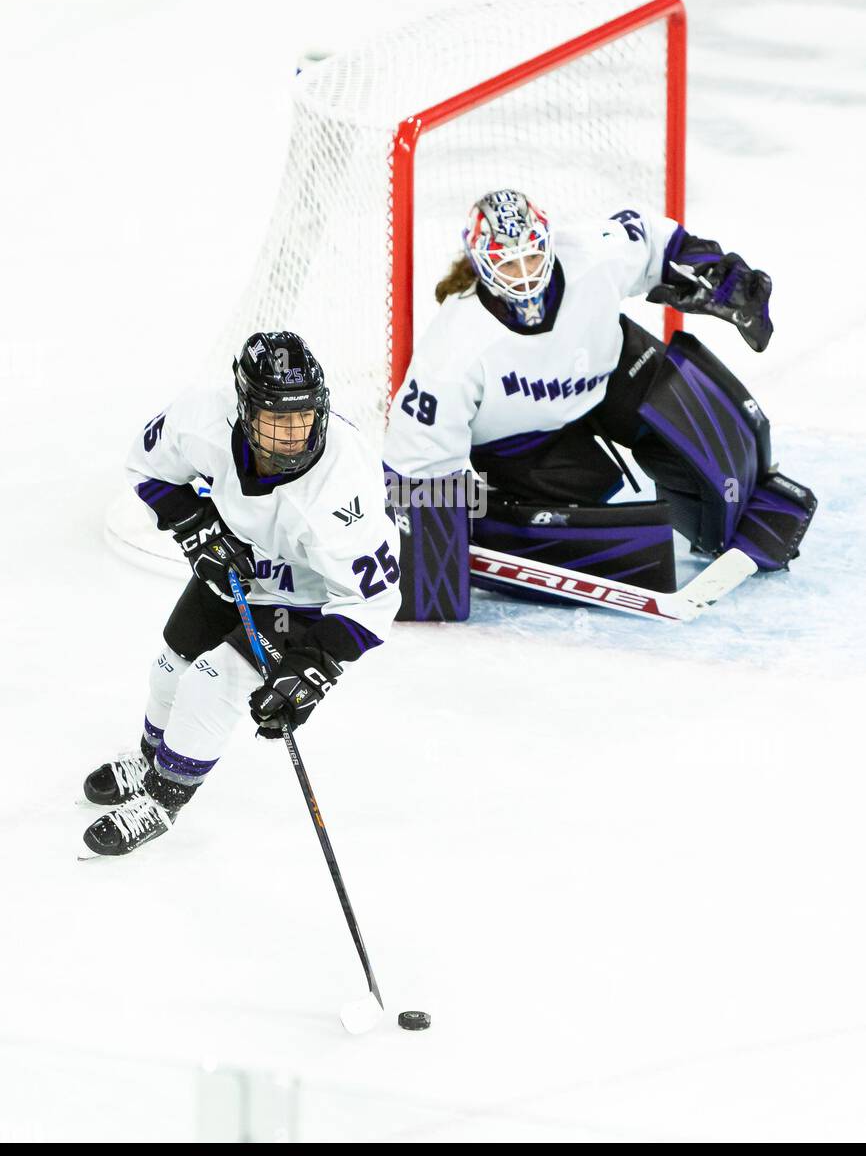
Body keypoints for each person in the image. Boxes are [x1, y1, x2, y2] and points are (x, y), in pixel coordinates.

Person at [383, 189, 815, 618]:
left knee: (713, 428)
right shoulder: (454, 346)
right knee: (619, 550)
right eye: (507, 264)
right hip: (522, 442)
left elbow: (654, 242)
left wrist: (721, 277)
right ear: (481, 263)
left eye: (532, 257)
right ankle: (500, 523)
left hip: (609, 374)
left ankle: (735, 511)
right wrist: (432, 551)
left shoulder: (590, 253)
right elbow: (418, 454)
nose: (525, 274)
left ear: (548, 243)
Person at [82, 331, 401, 857]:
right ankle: (150, 757)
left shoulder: (345, 489)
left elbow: (375, 600)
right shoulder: (202, 421)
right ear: (244, 410)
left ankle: (161, 802)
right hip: (240, 563)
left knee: (212, 683)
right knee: (170, 665)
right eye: (276, 421)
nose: (292, 437)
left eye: (302, 419)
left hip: (308, 596)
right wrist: (195, 526)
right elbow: (145, 466)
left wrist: (313, 667)